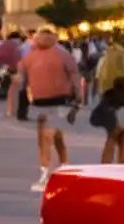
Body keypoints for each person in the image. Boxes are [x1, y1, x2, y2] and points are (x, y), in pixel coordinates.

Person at [19, 30, 81, 191]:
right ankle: (63, 167)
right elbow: (21, 77)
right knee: (53, 137)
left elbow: (75, 78)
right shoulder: (34, 57)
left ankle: (47, 174)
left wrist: (77, 99)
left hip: (57, 101)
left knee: (47, 137)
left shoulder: (60, 55)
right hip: (44, 102)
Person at [91, 39, 124, 164]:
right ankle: (117, 166)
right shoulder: (123, 76)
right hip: (121, 109)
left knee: (112, 139)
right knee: (119, 141)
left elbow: (99, 86)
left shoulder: (105, 69)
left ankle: (106, 166)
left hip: (108, 106)